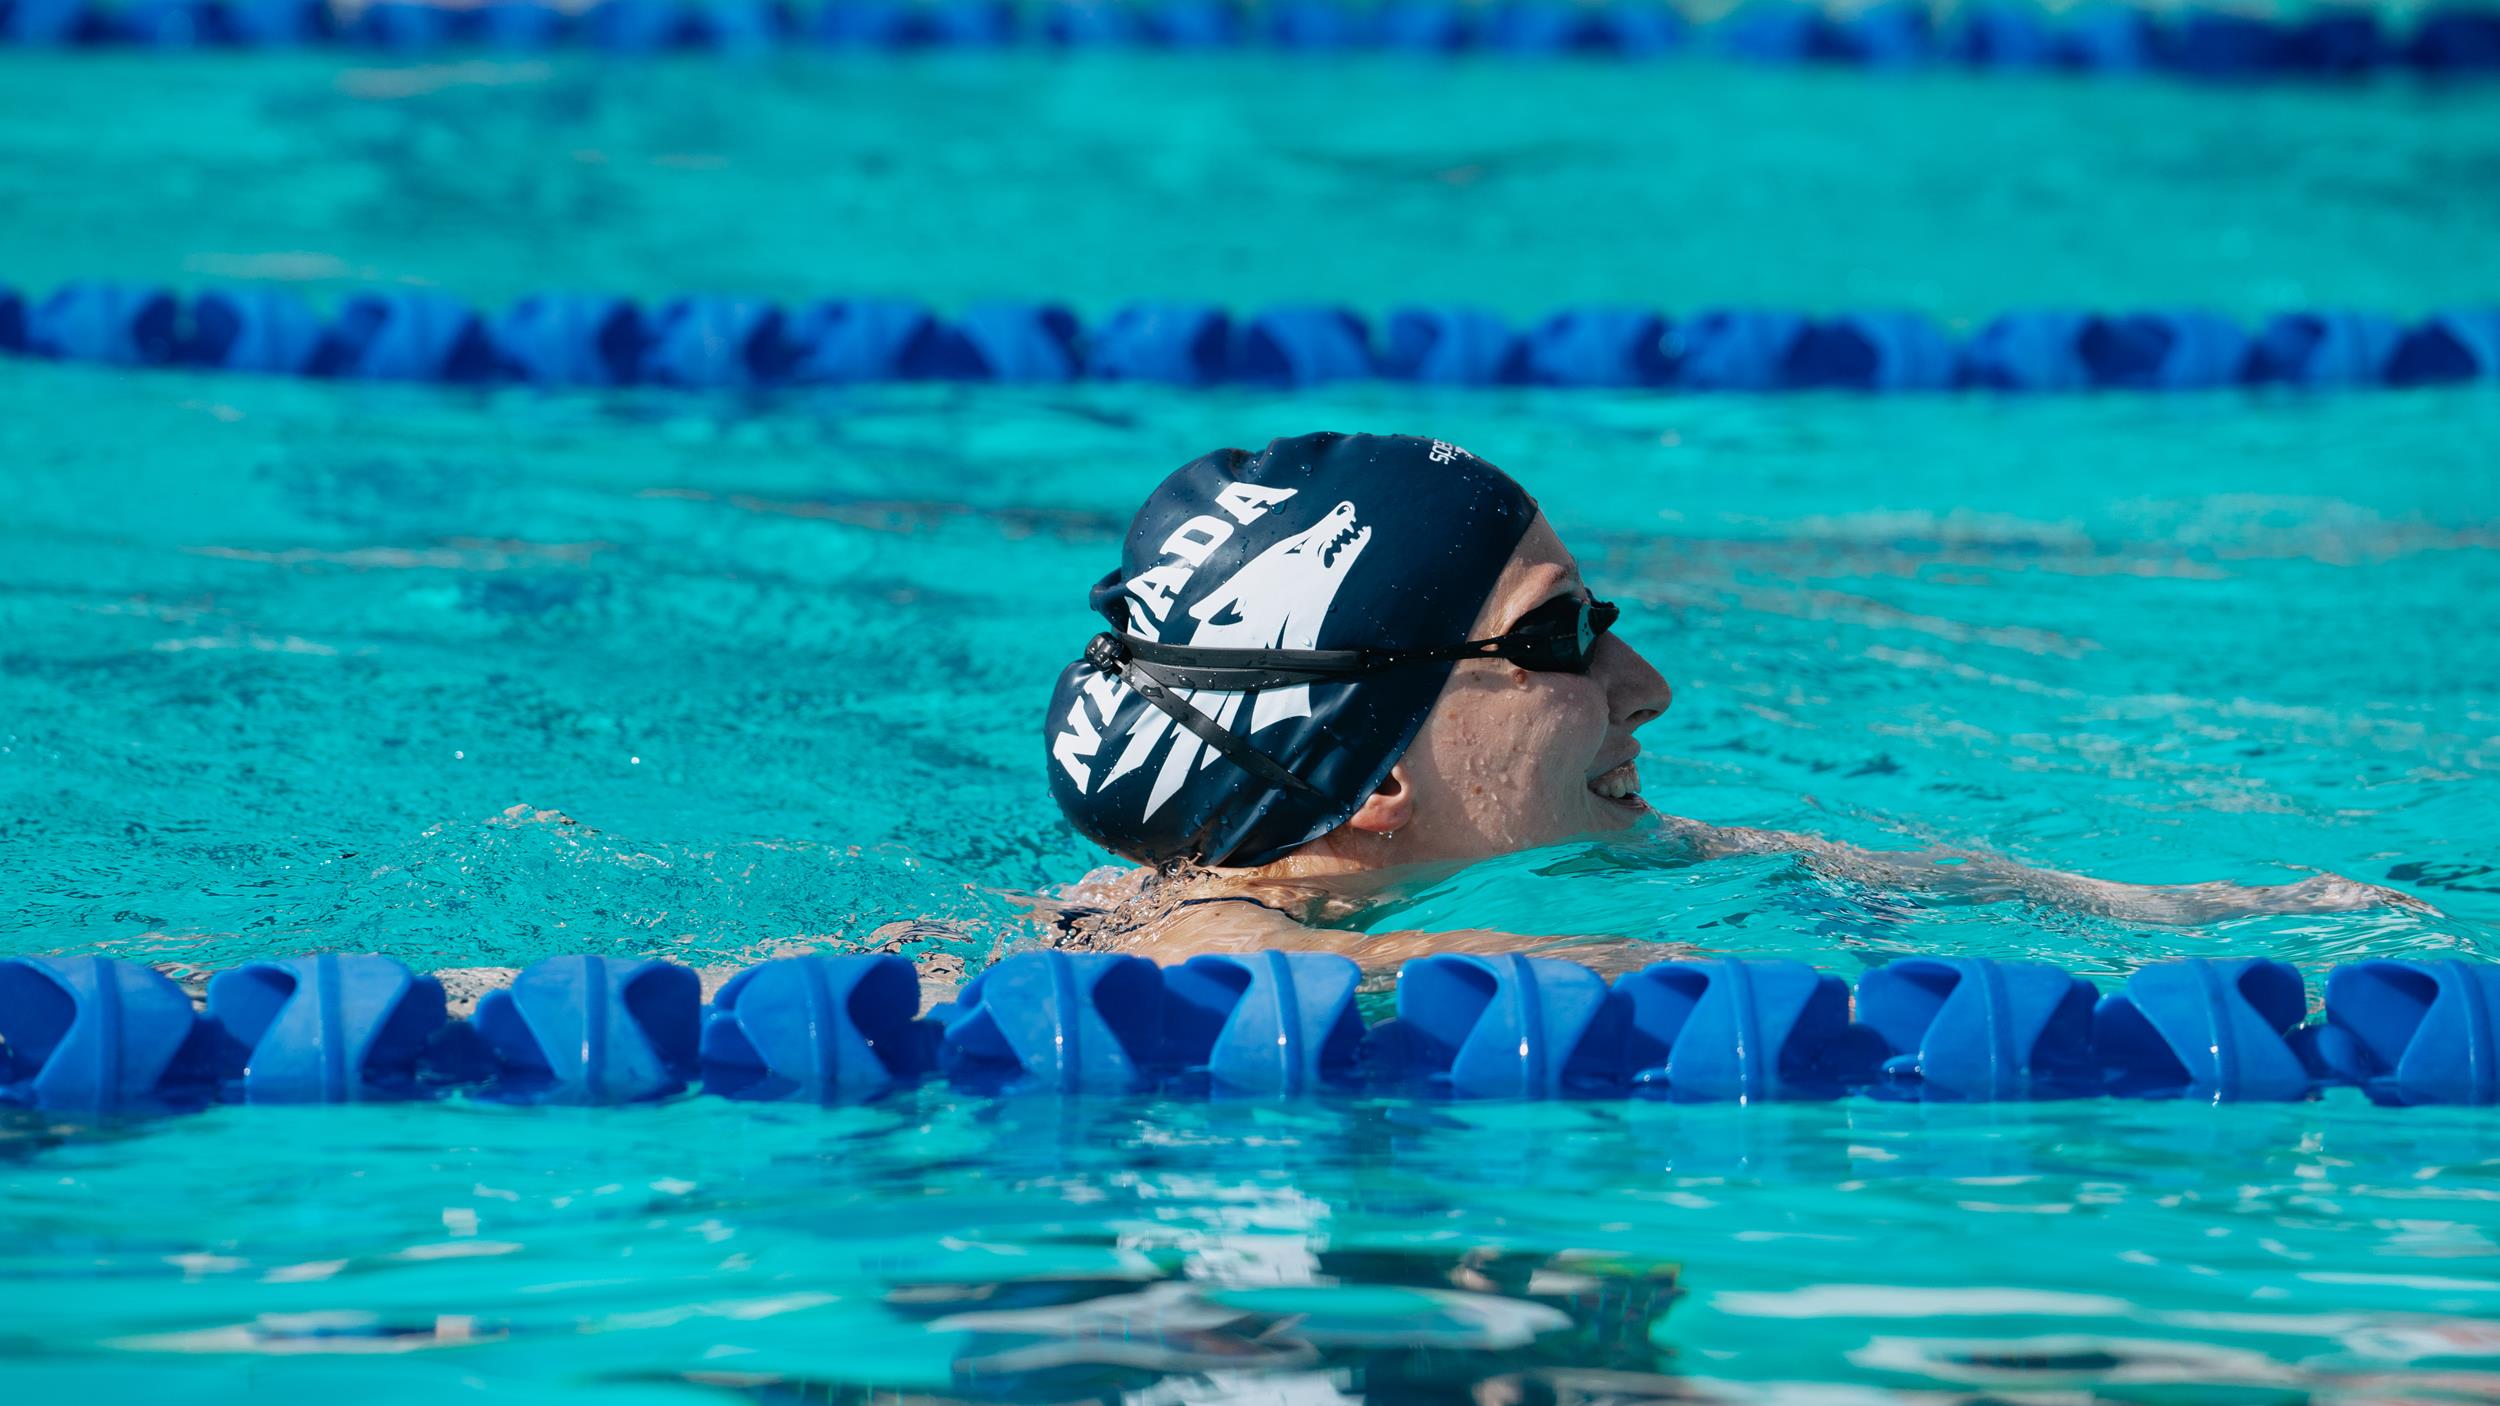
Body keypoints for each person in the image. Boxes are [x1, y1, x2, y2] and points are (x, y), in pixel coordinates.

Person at [1034, 432, 2422, 974]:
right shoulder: (1188, 952)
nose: (1648, 687)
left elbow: (1874, 879)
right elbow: (1273, 972)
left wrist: (2231, 910)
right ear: (1372, 774)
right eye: (1562, 637)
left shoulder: (1593, 852)